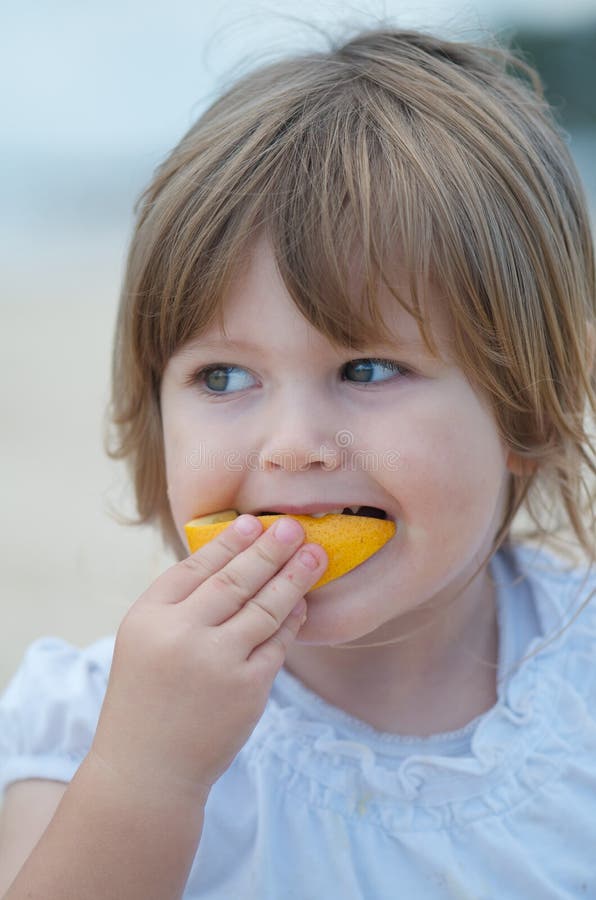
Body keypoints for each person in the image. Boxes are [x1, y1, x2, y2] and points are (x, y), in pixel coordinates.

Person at [1, 24, 595, 899]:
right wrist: (149, 773)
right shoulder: (87, 722)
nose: (290, 445)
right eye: (225, 375)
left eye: (366, 368)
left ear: (524, 405)